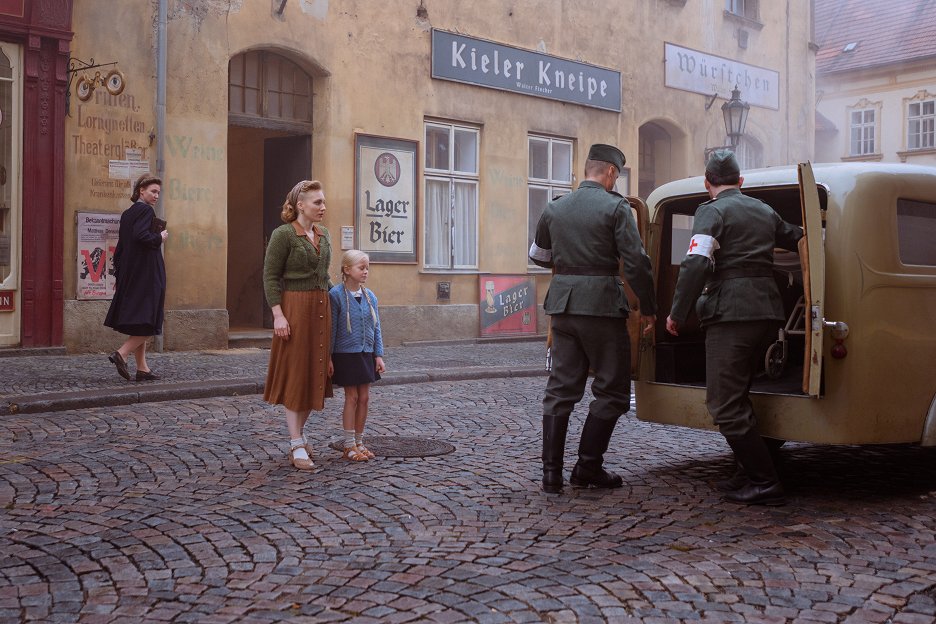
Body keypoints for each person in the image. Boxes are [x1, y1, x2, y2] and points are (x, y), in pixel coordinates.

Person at [665, 150, 803, 506]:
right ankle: (747, 471)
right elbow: (799, 237)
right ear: (740, 182)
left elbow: (696, 263)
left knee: (724, 403)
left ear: (707, 183)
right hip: (769, 314)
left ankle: (764, 481)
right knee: (741, 395)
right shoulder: (762, 210)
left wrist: (677, 313)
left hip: (731, 315)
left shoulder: (711, 211)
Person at [529, 143, 657, 494]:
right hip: (602, 306)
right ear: (611, 173)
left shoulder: (555, 208)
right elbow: (637, 263)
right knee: (613, 392)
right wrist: (648, 306)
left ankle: (551, 475)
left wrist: (570, 264)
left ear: (588, 169)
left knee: (560, 390)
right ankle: (587, 467)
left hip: (563, 307)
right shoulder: (616, 207)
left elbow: (539, 255)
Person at [263, 179, 333, 471]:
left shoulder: (323, 233)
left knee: (314, 372)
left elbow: (325, 276)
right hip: (295, 309)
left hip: (321, 308)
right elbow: (269, 277)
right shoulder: (283, 235)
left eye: (324, 202)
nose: (323, 207)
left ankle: (300, 436)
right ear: (300, 205)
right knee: (296, 374)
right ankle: (295, 443)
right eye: (317, 202)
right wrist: (278, 315)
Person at [104, 174, 168, 382]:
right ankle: (121, 354)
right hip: (146, 274)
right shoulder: (145, 210)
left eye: (158, 192)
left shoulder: (128, 213)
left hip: (133, 273)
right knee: (150, 321)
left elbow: (122, 245)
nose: (156, 196)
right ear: (141, 190)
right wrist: (160, 237)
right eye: (153, 191)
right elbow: (142, 237)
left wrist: (121, 272)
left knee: (141, 319)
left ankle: (142, 368)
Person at [329, 250, 386, 462]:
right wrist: (328, 358)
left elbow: (376, 327)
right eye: (361, 268)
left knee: (365, 398)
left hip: (366, 353)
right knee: (351, 398)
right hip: (346, 355)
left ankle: (360, 442)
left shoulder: (371, 297)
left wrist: (378, 355)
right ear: (347, 270)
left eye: (367, 268)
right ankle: (348, 445)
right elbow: (332, 329)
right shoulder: (335, 295)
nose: (365, 272)